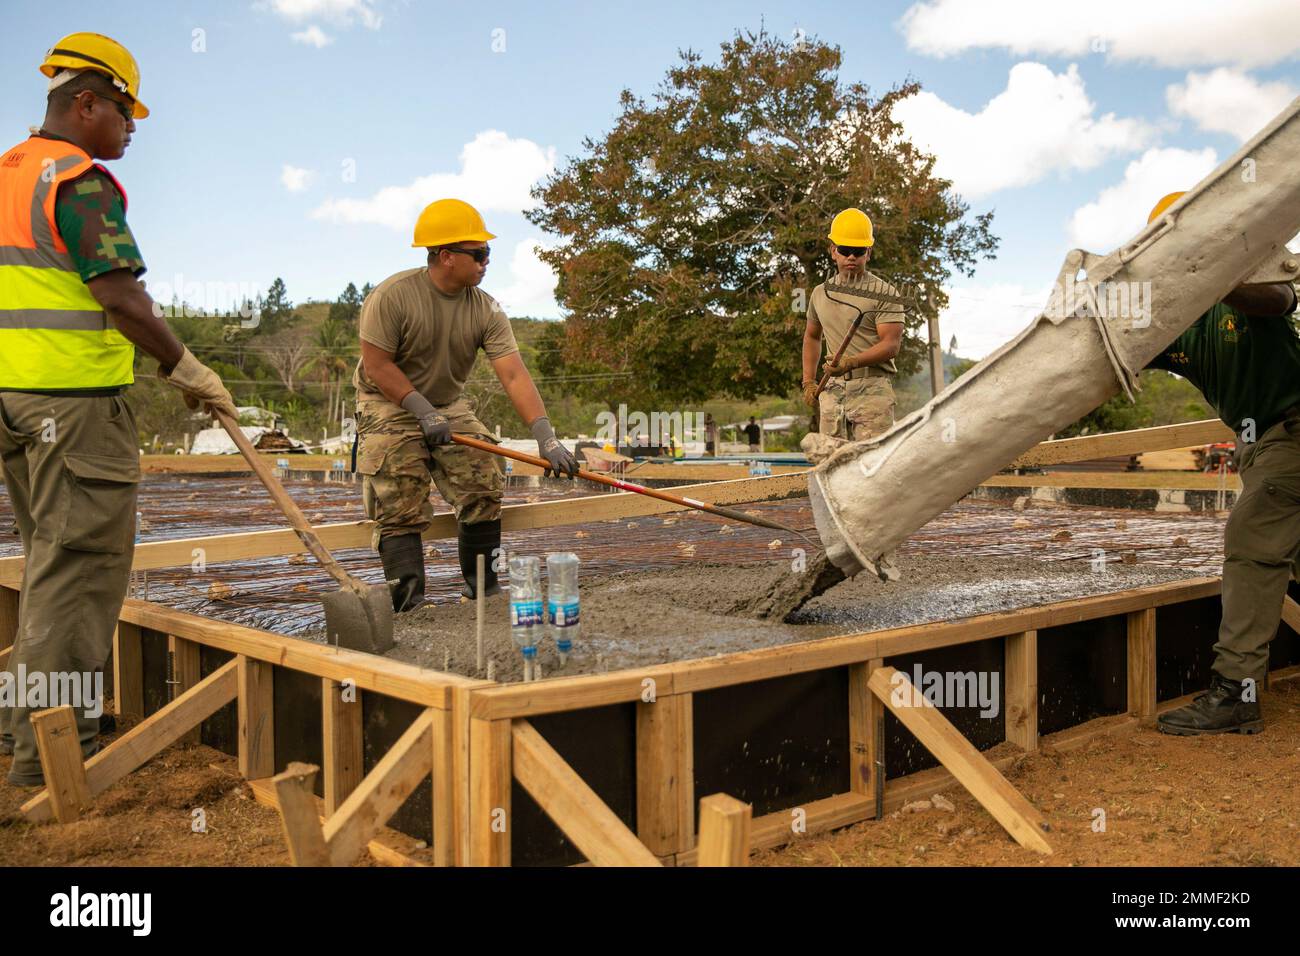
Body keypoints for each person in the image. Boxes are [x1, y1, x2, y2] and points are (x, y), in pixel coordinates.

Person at [0, 34, 236, 787]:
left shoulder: (8, 174)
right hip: (73, 415)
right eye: (126, 113)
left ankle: (21, 737)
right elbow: (117, 292)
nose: (132, 128)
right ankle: (55, 763)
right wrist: (185, 365)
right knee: (79, 580)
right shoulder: (78, 180)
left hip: (19, 407)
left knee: (48, 571)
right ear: (86, 103)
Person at [353, 198, 578, 611]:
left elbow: (512, 373)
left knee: (483, 478)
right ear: (445, 256)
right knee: (398, 488)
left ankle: (483, 591)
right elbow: (378, 366)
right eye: (478, 254)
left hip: (447, 404)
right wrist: (421, 411)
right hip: (387, 402)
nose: (486, 261)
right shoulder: (391, 297)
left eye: (488, 252)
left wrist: (546, 438)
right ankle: (410, 606)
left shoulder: (486, 307)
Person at [1141, 192, 1300, 736]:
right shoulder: (1178, 321)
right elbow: (1117, 350)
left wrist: (1217, 273)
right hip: (1263, 447)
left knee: (1252, 544)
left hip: (1292, 439)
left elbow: (1278, 299)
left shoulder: (1251, 283)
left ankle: (1237, 693)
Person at [800, 208, 905, 459]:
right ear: (833, 250)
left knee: (874, 463)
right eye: (845, 249)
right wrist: (808, 381)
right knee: (830, 464)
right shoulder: (820, 293)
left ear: (868, 252)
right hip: (832, 392)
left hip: (872, 391)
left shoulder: (885, 293)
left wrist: (851, 362)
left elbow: (891, 344)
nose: (851, 257)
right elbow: (812, 337)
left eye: (858, 251)